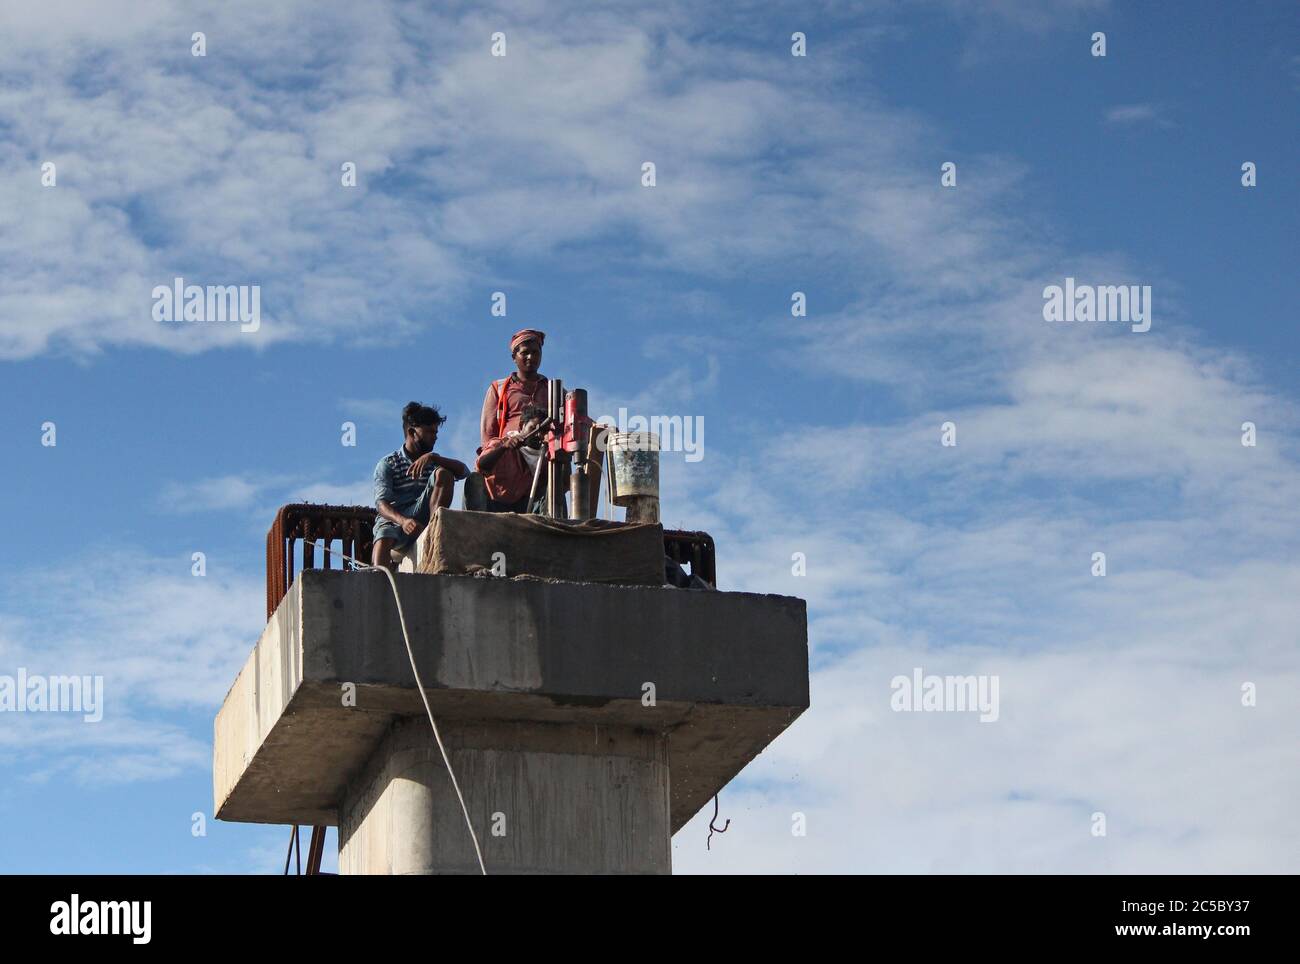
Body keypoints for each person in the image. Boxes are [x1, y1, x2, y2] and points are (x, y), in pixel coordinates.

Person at [371, 401, 468, 568]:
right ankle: (378, 581)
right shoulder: (388, 463)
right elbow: (381, 504)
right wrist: (403, 521)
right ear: (412, 432)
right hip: (397, 519)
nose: (435, 436)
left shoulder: (433, 463)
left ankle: (434, 530)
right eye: (430, 431)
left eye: (436, 432)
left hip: (423, 517)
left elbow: (464, 471)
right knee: (384, 532)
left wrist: (434, 458)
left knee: (444, 473)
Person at [480, 328, 548, 450]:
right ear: (514, 357)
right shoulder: (499, 389)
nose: (530, 357)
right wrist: (490, 457)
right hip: (509, 455)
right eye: (525, 352)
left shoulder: (552, 389)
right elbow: (488, 432)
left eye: (535, 352)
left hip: (544, 457)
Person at [474, 404, 548, 512]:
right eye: (533, 428)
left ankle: (550, 527)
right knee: (474, 480)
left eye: (543, 431)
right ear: (522, 425)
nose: (538, 435)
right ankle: (476, 524)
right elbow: (482, 466)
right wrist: (504, 448)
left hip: (520, 510)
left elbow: (561, 486)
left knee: (550, 489)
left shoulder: (543, 459)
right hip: (491, 505)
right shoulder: (500, 444)